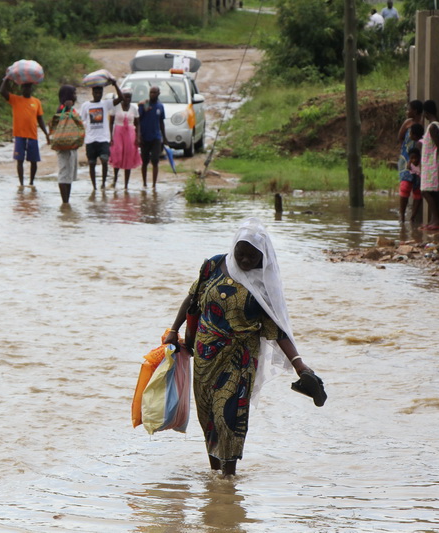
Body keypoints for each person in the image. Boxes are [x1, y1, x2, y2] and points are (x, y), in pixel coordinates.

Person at [163, 217, 326, 478]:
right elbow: (192, 298)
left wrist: (300, 365)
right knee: (209, 418)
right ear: (234, 247)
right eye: (242, 253)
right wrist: (174, 330)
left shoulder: (263, 285)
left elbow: (277, 330)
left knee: (230, 417)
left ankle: (229, 478)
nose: (246, 261)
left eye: (253, 256)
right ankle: (215, 476)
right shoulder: (215, 265)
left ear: (263, 257)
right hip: (205, 356)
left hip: (240, 360)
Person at [0, 78, 50, 187]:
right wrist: (6, 80)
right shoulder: (15, 99)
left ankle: (31, 183)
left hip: (32, 135)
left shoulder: (36, 102)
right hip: (19, 135)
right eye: (25, 87)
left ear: (31, 89)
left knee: (34, 161)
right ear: (21, 88)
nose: (27, 89)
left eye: (29, 87)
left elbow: (40, 119)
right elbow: (2, 92)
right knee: (19, 160)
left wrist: (46, 134)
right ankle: (21, 184)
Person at [80, 81, 122, 189]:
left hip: (103, 139)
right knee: (92, 163)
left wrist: (115, 85)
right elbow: (82, 120)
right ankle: (94, 187)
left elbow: (120, 98)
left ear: (102, 92)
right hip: (90, 140)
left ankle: (103, 184)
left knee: (104, 160)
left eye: (100, 91)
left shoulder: (106, 103)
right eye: (96, 91)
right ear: (93, 92)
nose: (98, 93)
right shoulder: (86, 105)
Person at [419, 100, 439, 231]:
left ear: (426, 113)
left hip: (433, 163)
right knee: (432, 192)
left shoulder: (432, 127)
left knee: (425, 191)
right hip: (432, 163)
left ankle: (436, 219)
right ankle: (434, 219)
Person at [50, 85, 80, 204]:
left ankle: (66, 202)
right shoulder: (63, 108)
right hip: (64, 145)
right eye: (73, 94)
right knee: (64, 173)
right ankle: (65, 202)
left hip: (71, 145)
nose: (75, 96)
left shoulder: (71, 109)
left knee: (69, 174)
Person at [396, 101, 424, 223]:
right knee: (405, 186)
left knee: (418, 188)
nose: (407, 112)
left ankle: (413, 217)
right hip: (406, 159)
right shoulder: (407, 123)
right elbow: (400, 137)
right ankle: (402, 216)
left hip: (418, 161)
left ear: (416, 111)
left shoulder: (422, 124)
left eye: (409, 109)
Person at [109, 90, 142, 189]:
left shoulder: (134, 108)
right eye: (125, 97)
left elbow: (137, 123)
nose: (127, 99)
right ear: (122, 97)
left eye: (129, 97)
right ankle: (114, 180)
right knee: (117, 154)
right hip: (118, 133)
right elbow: (111, 122)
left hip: (130, 134)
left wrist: (138, 136)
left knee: (128, 156)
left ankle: (126, 185)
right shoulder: (115, 107)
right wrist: (110, 136)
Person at [138, 86, 168, 189]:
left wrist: (164, 137)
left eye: (155, 93)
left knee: (155, 160)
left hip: (156, 137)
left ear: (158, 93)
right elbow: (138, 120)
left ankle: (154, 185)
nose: (152, 94)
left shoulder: (160, 106)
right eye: (151, 92)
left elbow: (161, 122)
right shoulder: (144, 104)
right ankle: (144, 183)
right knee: (144, 161)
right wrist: (139, 135)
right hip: (145, 137)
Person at [401, 145, 423, 223]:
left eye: (415, 158)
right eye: (412, 158)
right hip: (412, 176)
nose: (414, 160)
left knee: (418, 195)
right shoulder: (410, 163)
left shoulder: (421, 164)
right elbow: (408, 167)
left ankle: (412, 217)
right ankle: (402, 216)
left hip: (419, 178)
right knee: (404, 189)